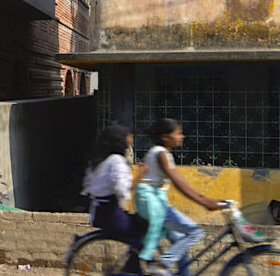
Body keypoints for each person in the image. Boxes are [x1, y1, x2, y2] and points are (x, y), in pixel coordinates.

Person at [134, 118, 225, 276]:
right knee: (195, 232)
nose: (181, 136)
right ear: (165, 137)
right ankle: (162, 264)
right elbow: (178, 182)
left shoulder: (161, 152)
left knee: (179, 239)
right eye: (178, 133)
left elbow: (178, 181)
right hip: (153, 204)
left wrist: (205, 199)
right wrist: (203, 201)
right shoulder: (161, 154)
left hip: (153, 201)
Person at [82, 122, 145, 273]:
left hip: (98, 211)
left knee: (138, 229)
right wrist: (140, 176)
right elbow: (122, 189)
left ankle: (133, 267)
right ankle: (132, 268)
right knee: (143, 228)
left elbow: (89, 185)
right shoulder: (116, 161)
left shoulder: (99, 161)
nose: (131, 140)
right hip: (112, 214)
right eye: (129, 137)